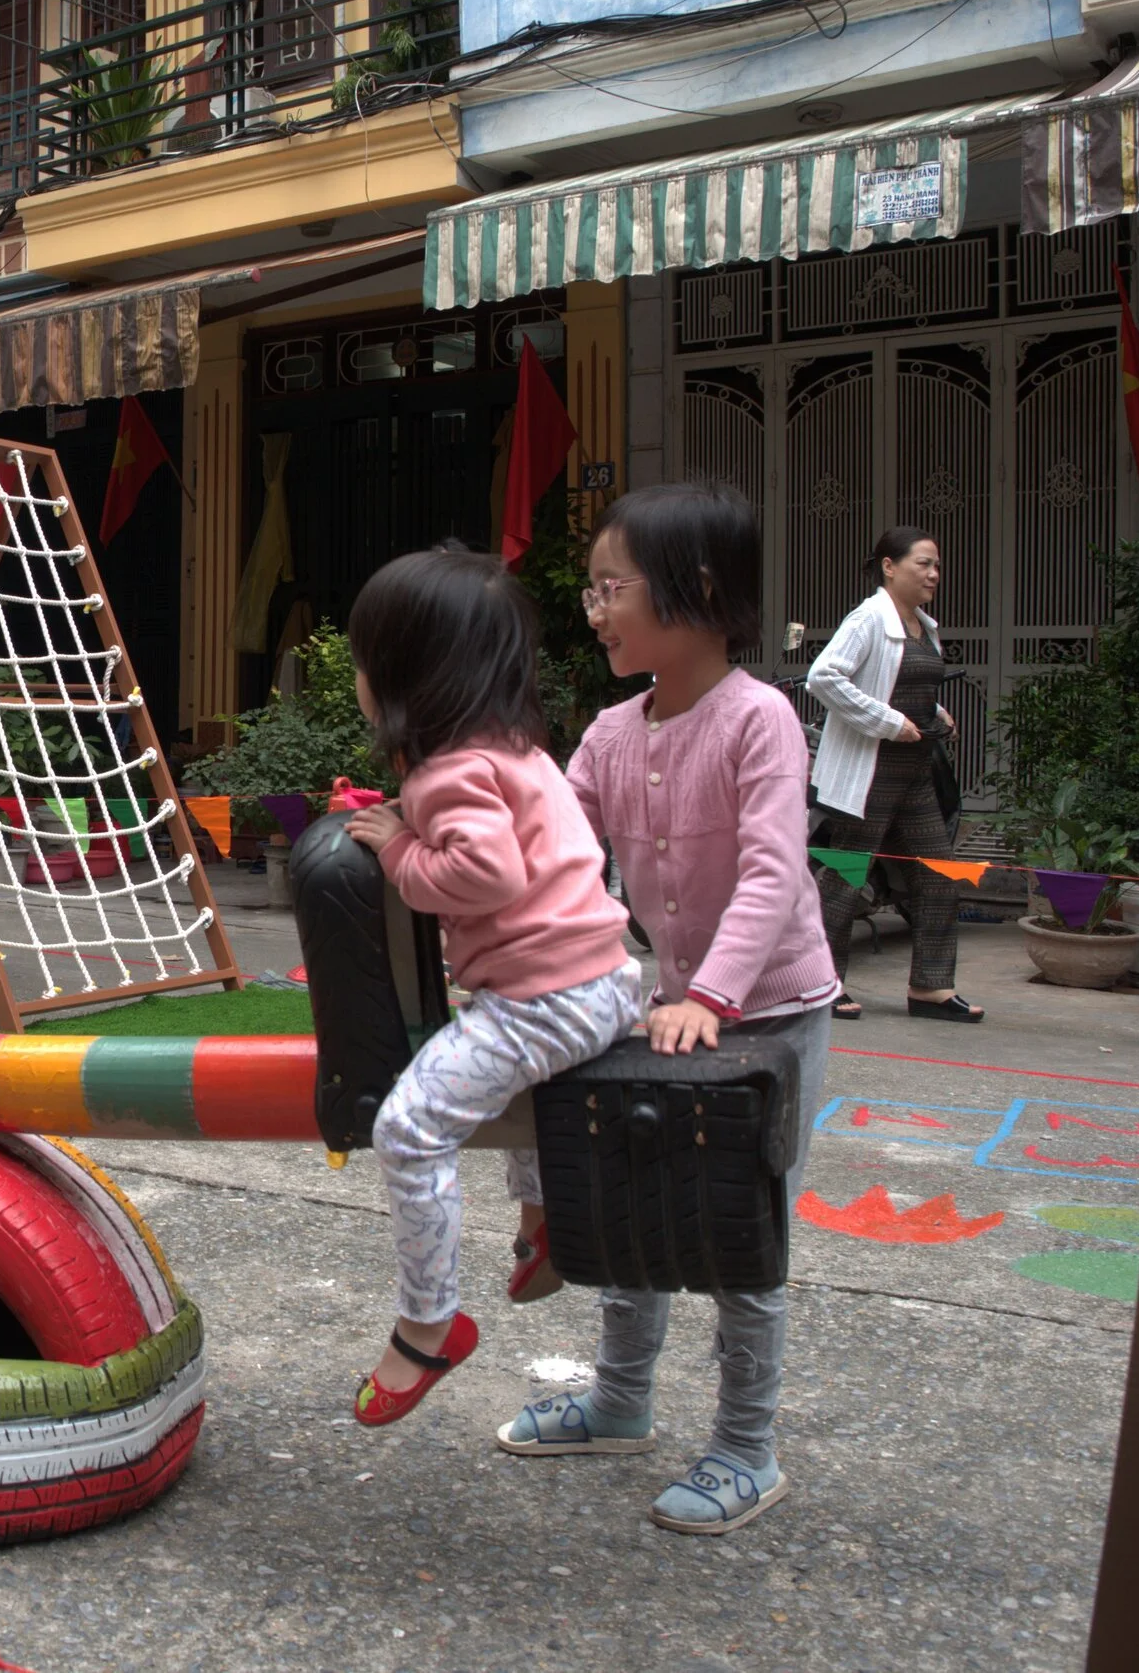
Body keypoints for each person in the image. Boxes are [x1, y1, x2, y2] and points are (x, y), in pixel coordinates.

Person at [496, 483, 837, 1535]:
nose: (593, 609)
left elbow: (774, 871)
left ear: (692, 592)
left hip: (768, 1011)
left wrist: (712, 994)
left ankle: (745, 1445)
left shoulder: (759, 718)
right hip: (666, 1005)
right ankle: (619, 1400)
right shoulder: (607, 731)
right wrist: (434, 821)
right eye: (593, 589)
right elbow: (547, 836)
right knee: (621, 1201)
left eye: (611, 587)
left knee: (744, 1232)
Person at [342, 547, 640, 1430]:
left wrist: (399, 847)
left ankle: (430, 1323)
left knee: (409, 1126)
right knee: (521, 1081)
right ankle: (543, 1222)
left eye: (365, 661)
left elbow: (486, 873)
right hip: (603, 981)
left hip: (546, 996)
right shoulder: (515, 750)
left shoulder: (447, 773)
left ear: (407, 679)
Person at [806, 527, 981, 1023]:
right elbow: (825, 676)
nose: (933, 574)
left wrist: (935, 712)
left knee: (941, 876)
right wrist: (888, 721)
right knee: (845, 879)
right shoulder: (867, 619)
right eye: (923, 564)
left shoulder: (924, 625)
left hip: (916, 773)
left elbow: (901, 681)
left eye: (937, 566)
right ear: (889, 566)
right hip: (870, 773)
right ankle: (821, 984)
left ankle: (931, 988)